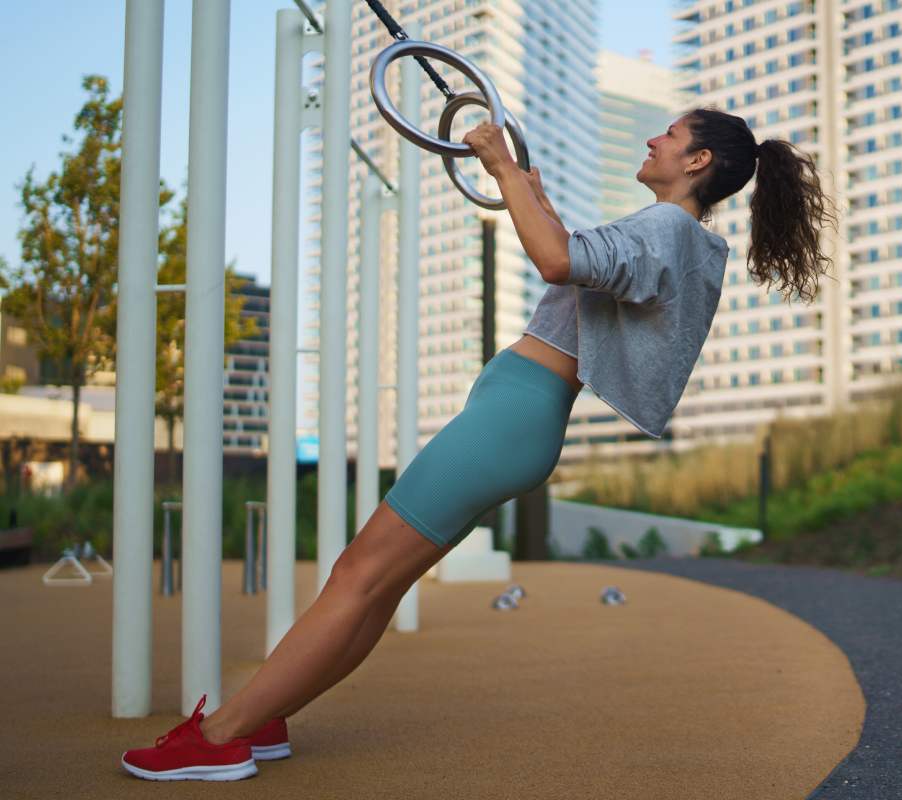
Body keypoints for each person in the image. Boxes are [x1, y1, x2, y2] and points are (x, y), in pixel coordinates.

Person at [119, 106, 834, 781]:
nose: (654, 140)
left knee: (357, 575)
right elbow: (582, 262)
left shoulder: (666, 227)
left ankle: (219, 737)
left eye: (670, 134)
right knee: (377, 584)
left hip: (509, 422)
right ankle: (265, 717)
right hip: (516, 418)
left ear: (698, 160)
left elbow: (555, 261)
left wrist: (499, 168)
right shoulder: (677, 236)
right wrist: (532, 194)